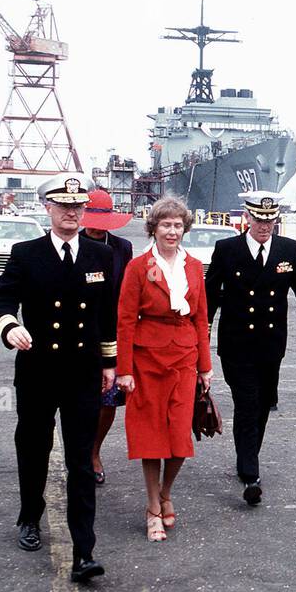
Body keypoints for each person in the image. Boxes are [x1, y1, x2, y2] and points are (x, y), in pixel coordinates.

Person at [0, 172, 117, 584]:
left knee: (81, 460)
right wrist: (10, 327)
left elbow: (107, 315)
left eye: (77, 206)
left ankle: (85, 551)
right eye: (64, 206)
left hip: (82, 371)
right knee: (34, 445)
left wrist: (110, 363)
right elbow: (3, 297)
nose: (71, 213)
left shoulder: (100, 256)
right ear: (48, 207)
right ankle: (30, 516)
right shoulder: (27, 253)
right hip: (39, 368)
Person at [206, 191, 296, 506]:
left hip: (271, 345)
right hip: (236, 344)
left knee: (262, 405)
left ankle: (247, 454)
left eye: (270, 220)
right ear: (248, 217)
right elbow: (211, 296)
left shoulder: (288, 249)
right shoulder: (227, 250)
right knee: (246, 403)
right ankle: (250, 474)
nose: (265, 226)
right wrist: (202, 334)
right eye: (259, 219)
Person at [115, 197, 212, 541]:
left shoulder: (194, 266)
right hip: (147, 360)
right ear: (153, 228)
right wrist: (124, 369)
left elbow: (201, 318)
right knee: (150, 435)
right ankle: (153, 506)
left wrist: (205, 365)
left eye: (177, 225)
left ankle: (166, 491)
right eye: (165, 225)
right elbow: (125, 321)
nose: (172, 231)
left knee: (180, 434)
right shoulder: (138, 267)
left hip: (184, 358)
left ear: (184, 228)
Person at [81, 189, 135, 486]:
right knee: (78, 399)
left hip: (111, 333)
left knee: (109, 399)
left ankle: (94, 452)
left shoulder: (122, 248)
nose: (93, 226)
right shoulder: (72, 243)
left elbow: (128, 291)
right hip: (77, 333)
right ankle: (78, 451)